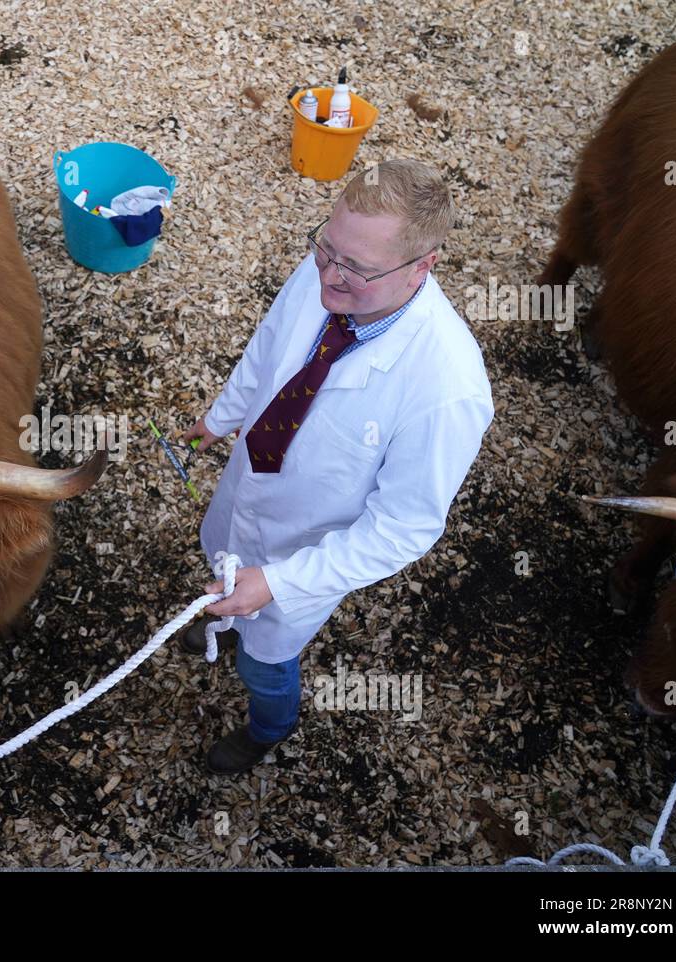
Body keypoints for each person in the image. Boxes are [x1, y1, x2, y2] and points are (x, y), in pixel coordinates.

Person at [180, 158, 494, 775]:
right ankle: (219, 625)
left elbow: (402, 527)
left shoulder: (448, 389)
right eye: (325, 248)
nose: (329, 275)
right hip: (246, 497)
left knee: (263, 663)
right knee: (220, 568)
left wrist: (277, 583)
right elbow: (268, 346)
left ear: (423, 266)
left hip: (300, 559)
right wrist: (223, 416)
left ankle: (268, 728)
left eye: (355, 268)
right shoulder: (332, 265)